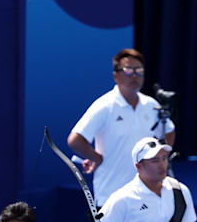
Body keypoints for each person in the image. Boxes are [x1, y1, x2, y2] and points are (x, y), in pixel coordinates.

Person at [68, 48, 176, 207]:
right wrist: (97, 158)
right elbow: (75, 140)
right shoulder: (104, 106)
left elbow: (169, 131)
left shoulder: (151, 105)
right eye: (128, 71)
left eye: (139, 71)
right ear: (115, 76)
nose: (134, 75)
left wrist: (160, 158)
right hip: (111, 196)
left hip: (146, 195)